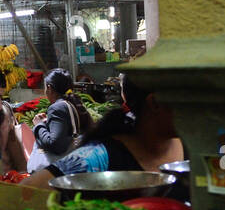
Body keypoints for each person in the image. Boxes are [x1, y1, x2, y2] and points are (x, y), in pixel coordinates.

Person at [21, 73, 185, 188]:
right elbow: (27, 189)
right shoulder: (98, 157)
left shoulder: (193, 146)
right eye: (187, 99)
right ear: (155, 103)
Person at [26, 68, 93, 171]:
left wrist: (39, 125)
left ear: (49, 88)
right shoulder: (74, 103)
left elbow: (55, 144)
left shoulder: (57, 108)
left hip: (60, 171)